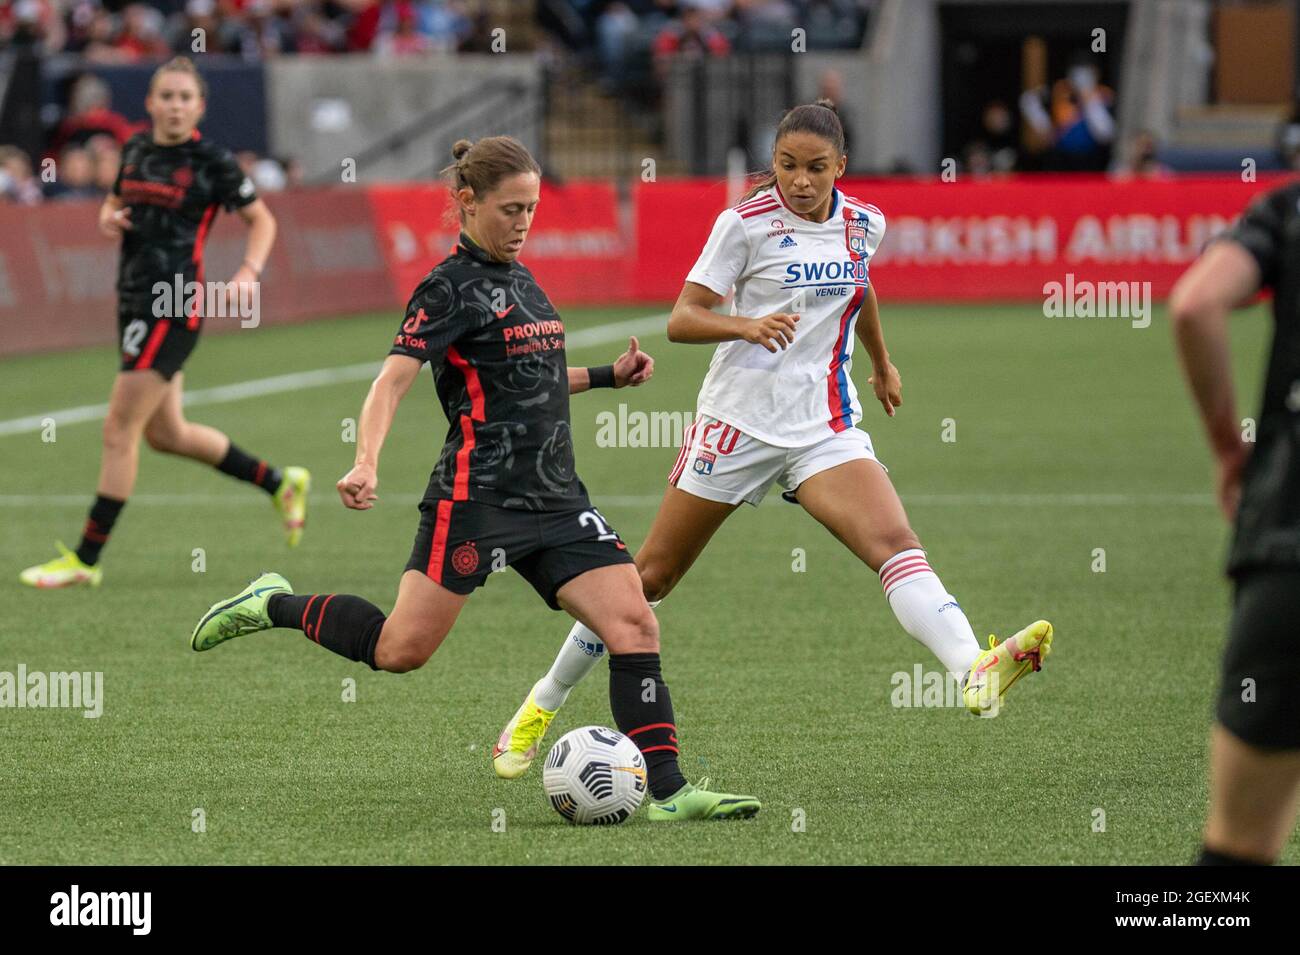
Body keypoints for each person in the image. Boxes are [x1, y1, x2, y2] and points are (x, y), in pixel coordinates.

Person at [188, 135, 761, 822]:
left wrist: (609, 375)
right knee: (400, 650)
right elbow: (390, 382)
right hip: (476, 500)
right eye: (511, 209)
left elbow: (532, 379)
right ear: (468, 202)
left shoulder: (522, 280)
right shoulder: (446, 287)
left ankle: (668, 791)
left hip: (555, 497)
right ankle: (270, 603)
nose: (524, 223)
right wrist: (366, 458)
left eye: (533, 209)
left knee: (635, 622)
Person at [493, 100, 1055, 778]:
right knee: (649, 578)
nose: (800, 180)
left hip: (824, 426)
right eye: (788, 165)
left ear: (840, 167)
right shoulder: (744, 225)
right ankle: (541, 702)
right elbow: (682, 319)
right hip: (737, 426)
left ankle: (974, 667)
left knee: (894, 544)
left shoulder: (863, 223)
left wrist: (881, 362)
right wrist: (746, 327)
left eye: (816, 168)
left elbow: (859, 288)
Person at [19, 57, 308, 590]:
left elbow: (261, 219)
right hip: (132, 302)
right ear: (150, 103)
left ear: (199, 106)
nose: (175, 105)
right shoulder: (134, 150)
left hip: (173, 305)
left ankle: (86, 559)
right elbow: (114, 201)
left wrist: (248, 271)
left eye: (185, 97)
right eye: (166, 96)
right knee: (166, 434)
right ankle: (279, 482)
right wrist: (108, 214)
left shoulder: (212, 161)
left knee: (118, 429)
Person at [1169, 183, 1300, 865]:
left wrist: (1228, 447)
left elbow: (1195, 305)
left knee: (1237, 849)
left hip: (1287, 549)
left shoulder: (1287, 210)